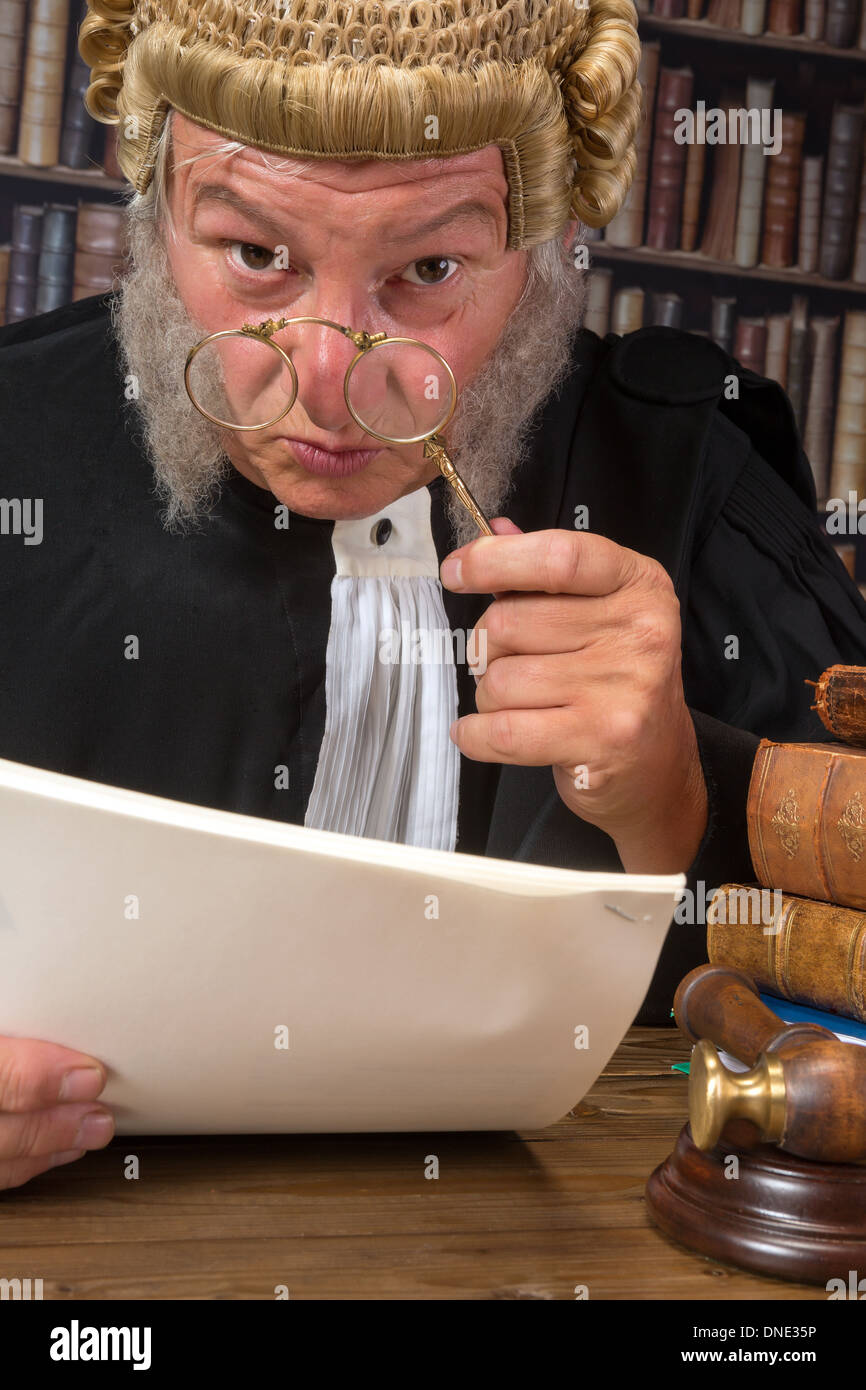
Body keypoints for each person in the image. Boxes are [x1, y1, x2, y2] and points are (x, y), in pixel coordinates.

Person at [0, 0, 864, 1192]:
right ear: (153, 215)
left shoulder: (688, 479)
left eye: (428, 270)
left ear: (543, 250)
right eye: (256, 256)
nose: (329, 378)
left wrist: (677, 790)